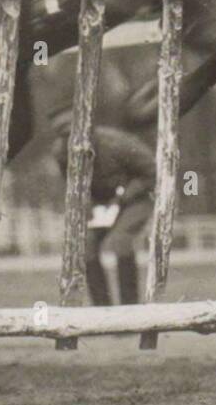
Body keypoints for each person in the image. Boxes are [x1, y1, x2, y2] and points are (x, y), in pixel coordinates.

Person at [51, 124, 156, 307]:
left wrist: (124, 196)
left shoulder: (118, 143)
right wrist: (88, 204)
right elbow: (72, 185)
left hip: (135, 200)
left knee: (120, 243)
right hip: (101, 205)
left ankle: (129, 310)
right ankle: (102, 310)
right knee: (86, 247)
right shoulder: (61, 152)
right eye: (66, 136)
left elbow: (152, 173)